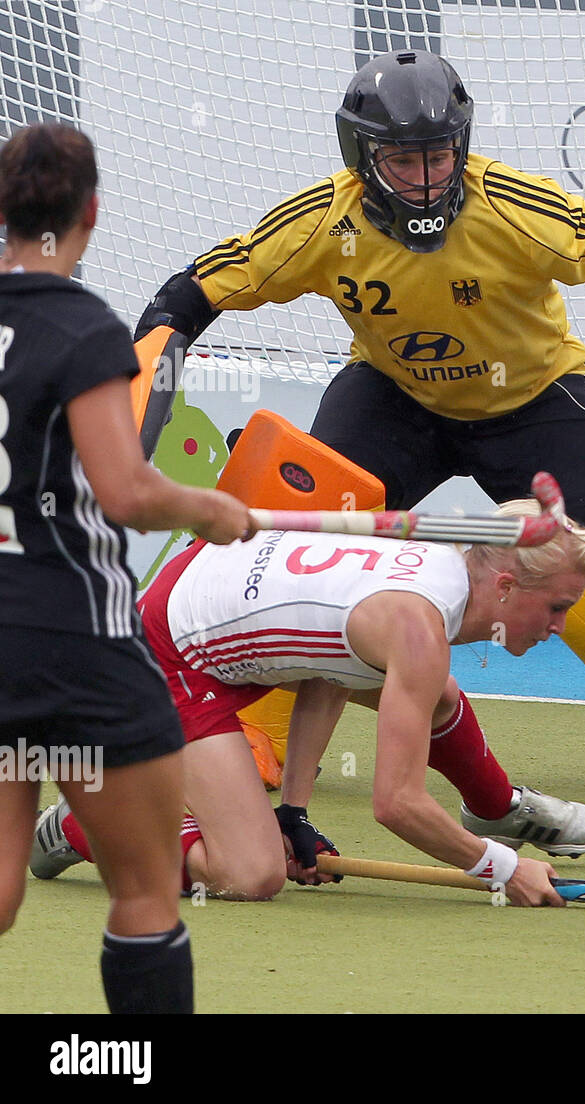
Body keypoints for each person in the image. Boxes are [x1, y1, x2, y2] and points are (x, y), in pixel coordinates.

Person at [133, 48, 585, 530]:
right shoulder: (320, 222)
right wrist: (140, 397)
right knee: (308, 541)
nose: (427, 177)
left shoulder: (515, 208)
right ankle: (256, 736)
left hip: (536, 401)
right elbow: (188, 297)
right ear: (361, 157)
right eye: (404, 160)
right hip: (394, 400)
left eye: (439, 155)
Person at [32, 497, 585, 907]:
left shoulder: (437, 565)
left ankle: (494, 805)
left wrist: (294, 811)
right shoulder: (419, 627)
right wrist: (502, 870)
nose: (560, 626)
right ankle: (85, 824)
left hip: (211, 583)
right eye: (557, 606)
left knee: (435, 696)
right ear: (505, 588)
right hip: (170, 652)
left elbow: (329, 663)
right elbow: (396, 805)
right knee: (251, 874)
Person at [0, 123, 252, 1013]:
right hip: (74, 643)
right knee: (143, 891)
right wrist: (211, 510)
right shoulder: (83, 328)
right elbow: (126, 491)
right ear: (92, 213)